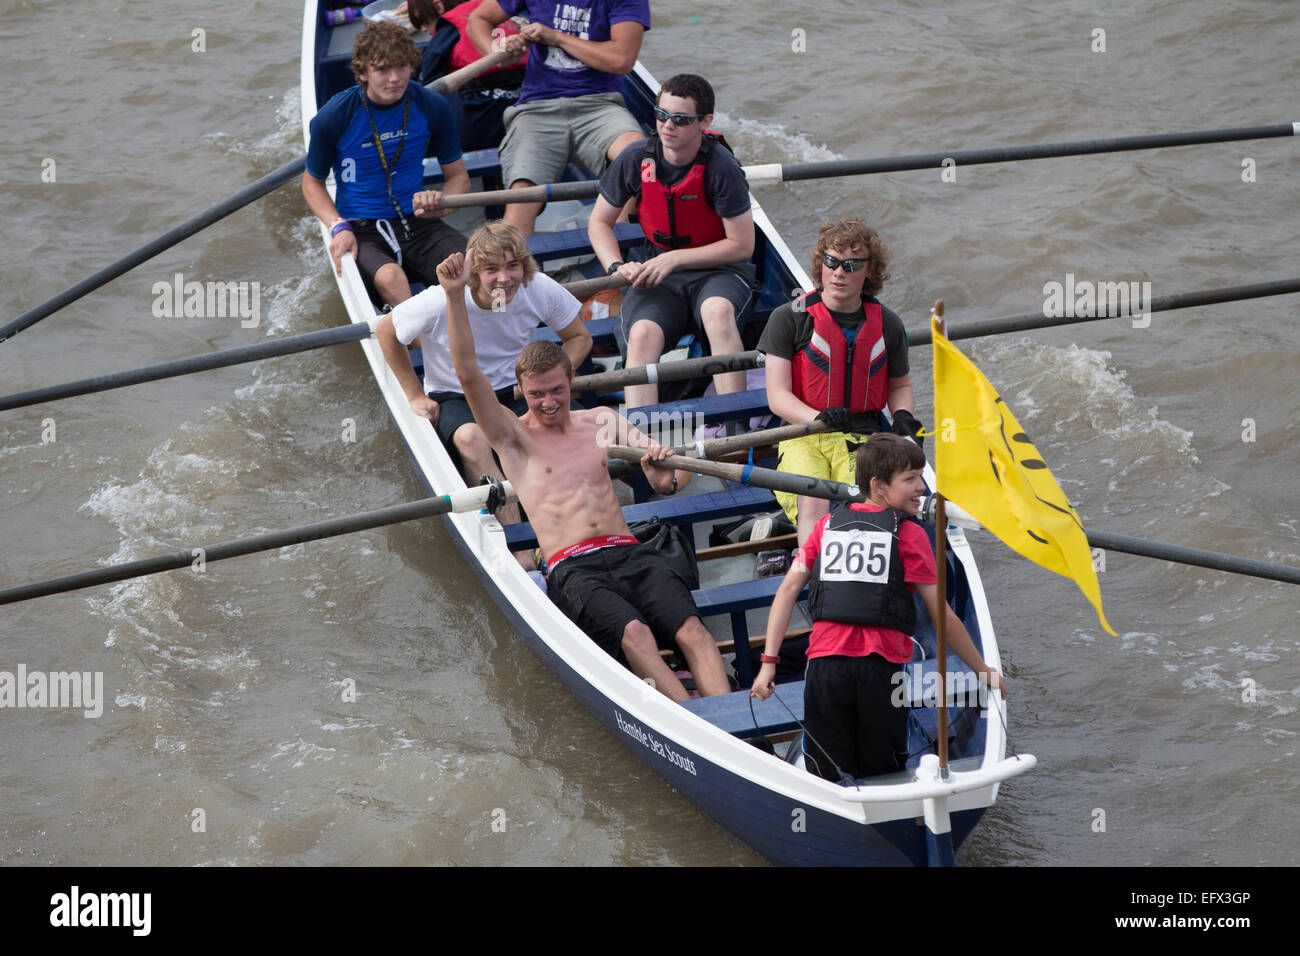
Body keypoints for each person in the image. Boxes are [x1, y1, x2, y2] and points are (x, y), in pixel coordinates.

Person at [440, 249, 729, 700]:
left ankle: (731, 720)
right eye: (537, 395)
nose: (549, 402)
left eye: (557, 390)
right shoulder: (513, 438)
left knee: (692, 629)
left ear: (570, 380)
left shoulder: (600, 421)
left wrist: (662, 462)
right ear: (522, 392)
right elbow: (467, 372)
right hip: (573, 567)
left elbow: (663, 484)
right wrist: (455, 297)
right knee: (637, 635)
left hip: (630, 551)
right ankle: (697, 724)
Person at [752, 433, 1007, 782]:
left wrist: (768, 665)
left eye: (921, 476)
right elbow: (942, 617)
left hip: (826, 673)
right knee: (882, 773)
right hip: (880, 675)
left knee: (828, 775)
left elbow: (786, 591)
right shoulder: (912, 535)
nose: (922, 487)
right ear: (878, 485)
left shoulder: (826, 527)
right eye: (910, 479)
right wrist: (981, 669)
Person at [377, 222, 592, 567]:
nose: (504, 279)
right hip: (454, 396)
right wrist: (414, 394)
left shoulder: (536, 287)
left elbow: (579, 338)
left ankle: (578, 533)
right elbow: (386, 331)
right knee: (472, 439)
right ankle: (520, 549)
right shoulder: (440, 298)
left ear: (525, 266)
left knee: (571, 433)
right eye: (491, 269)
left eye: (512, 267)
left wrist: (549, 381)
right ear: (474, 272)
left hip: (518, 392)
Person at [588, 73, 756, 410]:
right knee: (642, 335)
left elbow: (742, 246)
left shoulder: (721, 167)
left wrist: (676, 259)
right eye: (661, 114)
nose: (667, 125)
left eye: (680, 119)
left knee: (718, 312)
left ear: (704, 122)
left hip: (719, 272)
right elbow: (599, 223)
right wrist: (617, 267)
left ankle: (735, 421)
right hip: (658, 275)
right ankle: (642, 435)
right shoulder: (636, 158)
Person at [757, 217, 925, 546]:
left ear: (869, 272)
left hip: (862, 435)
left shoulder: (888, 324)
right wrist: (816, 418)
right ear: (821, 264)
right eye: (831, 262)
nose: (839, 272)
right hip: (802, 432)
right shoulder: (788, 318)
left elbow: (899, 386)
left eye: (851, 265)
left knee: (869, 506)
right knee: (815, 503)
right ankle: (818, 580)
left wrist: (903, 415)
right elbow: (778, 397)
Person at [303, 19, 471, 308]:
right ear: (363, 72)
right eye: (382, 69)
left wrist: (444, 203)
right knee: (392, 278)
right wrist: (337, 226)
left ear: (412, 66)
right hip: (362, 227)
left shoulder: (431, 106)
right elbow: (311, 183)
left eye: (401, 67)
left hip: (419, 221)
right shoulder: (334, 116)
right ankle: (416, 344)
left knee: (472, 266)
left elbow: (459, 179)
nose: (394, 78)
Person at [465, 0, 650, 236]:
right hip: (537, 108)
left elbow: (621, 60)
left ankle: (619, 257)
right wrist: (497, 50)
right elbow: (478, 19)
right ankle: (517, 270)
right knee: (522, 191)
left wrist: (557, 38)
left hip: (599, 106)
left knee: (636, 160)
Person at [406, 0, 529, 151]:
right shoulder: (508, 14)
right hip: (521, 110)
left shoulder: (453, 23)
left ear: (439, 7)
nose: (424, 29)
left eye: (424, 22)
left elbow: (431, 74)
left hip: (475, 118)